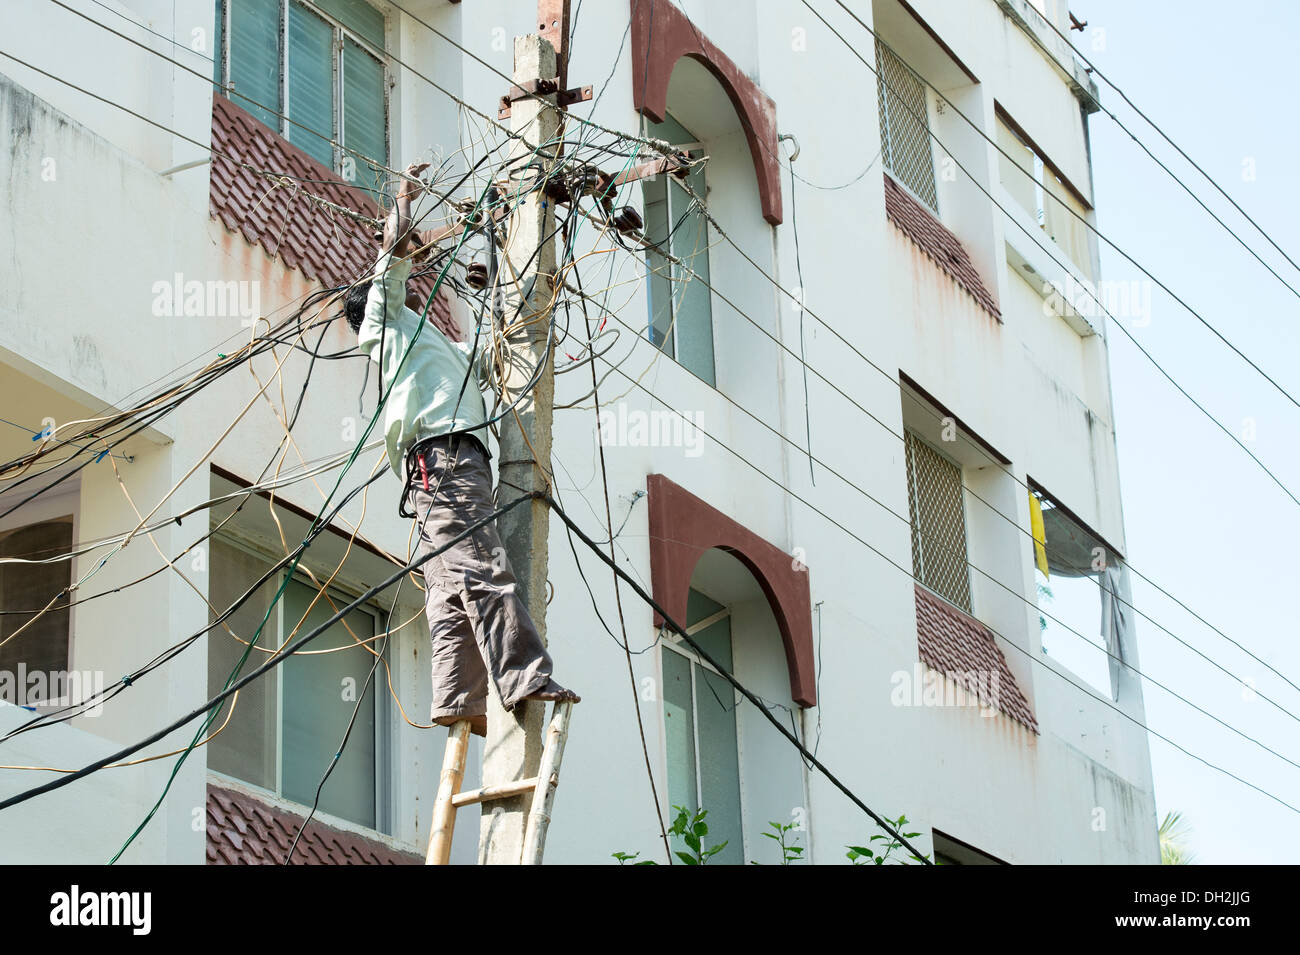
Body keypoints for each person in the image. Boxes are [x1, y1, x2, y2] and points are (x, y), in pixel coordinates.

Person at [344, 161, 577, 739]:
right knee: (484, 568)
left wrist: (508, 249)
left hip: (450, 463)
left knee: (451, 589)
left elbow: (494, 347)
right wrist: (404, 197)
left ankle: (457, 698)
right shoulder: (385, 324)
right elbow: (392, 263)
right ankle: (522, 676)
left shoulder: (437, 345)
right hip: (441, 460)